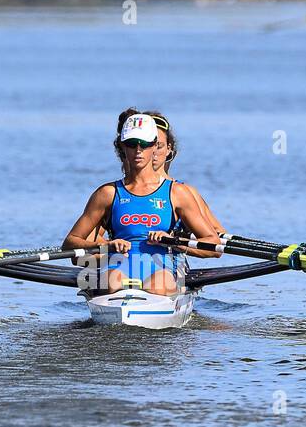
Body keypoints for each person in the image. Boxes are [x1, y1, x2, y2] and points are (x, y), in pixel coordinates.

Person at [64, 110, 221, 295]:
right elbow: (69, 243)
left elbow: (214, 245)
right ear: (122, 147)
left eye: (145, 144)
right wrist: (107, 246)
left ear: (155, 145)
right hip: (118, 267)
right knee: (111, 282)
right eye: (131, 144)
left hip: (162, 270)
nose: (138, 150)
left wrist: (174, 242)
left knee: (158, 285)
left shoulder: (177, 193)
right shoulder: (107, 193)